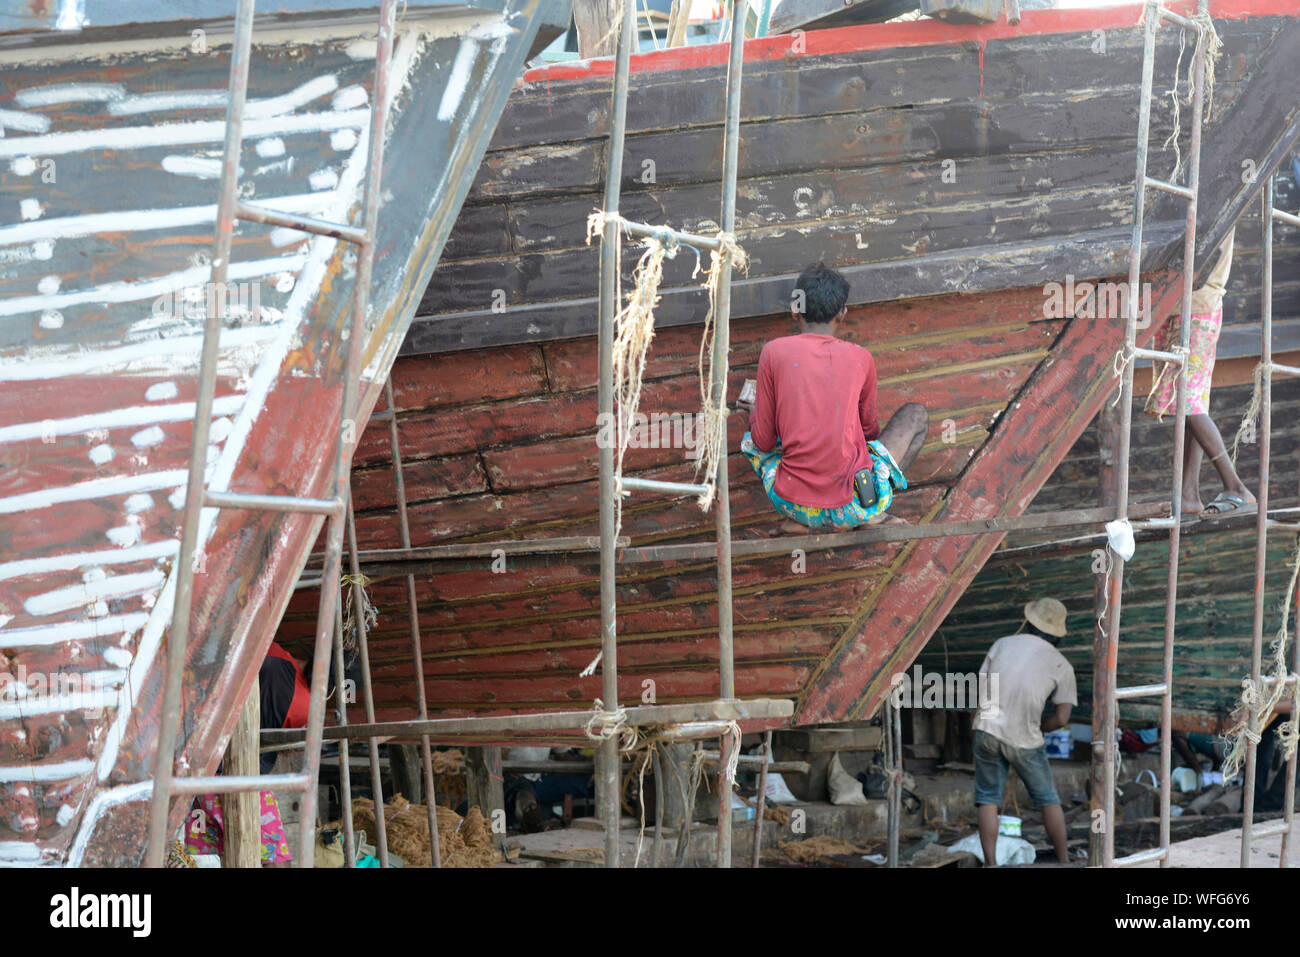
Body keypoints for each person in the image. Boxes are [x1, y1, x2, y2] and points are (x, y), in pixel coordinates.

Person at [736, 262, 928, 533]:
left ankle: (800, 522)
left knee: (754, 438)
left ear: (795, 311)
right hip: (855, 504)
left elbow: (764, 441)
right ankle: (872, 514)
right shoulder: (861, 358)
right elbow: (870, 433)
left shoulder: (773, 353)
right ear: (843, 313)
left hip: (791, 502)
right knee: (917, 415)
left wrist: (756, 411)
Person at [1145, 228, 1256, 518]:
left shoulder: (1213, 196)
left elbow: (1203, 257)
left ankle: (1236, 486)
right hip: (1184, 306)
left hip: (1196, 307)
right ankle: (1189, 495)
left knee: (1187, 400)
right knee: (1191, 402)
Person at [972, 597, 1077, 866]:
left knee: (987, 800)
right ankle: (1064, 860)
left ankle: (991, 863)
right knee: (1048, 800)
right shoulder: (1062, 665)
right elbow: (1061, 718)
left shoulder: (1002, 644)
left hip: (986, 729)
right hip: (1025, 739)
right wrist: (1038, 727)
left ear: (1029, 623)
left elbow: (981, 692)